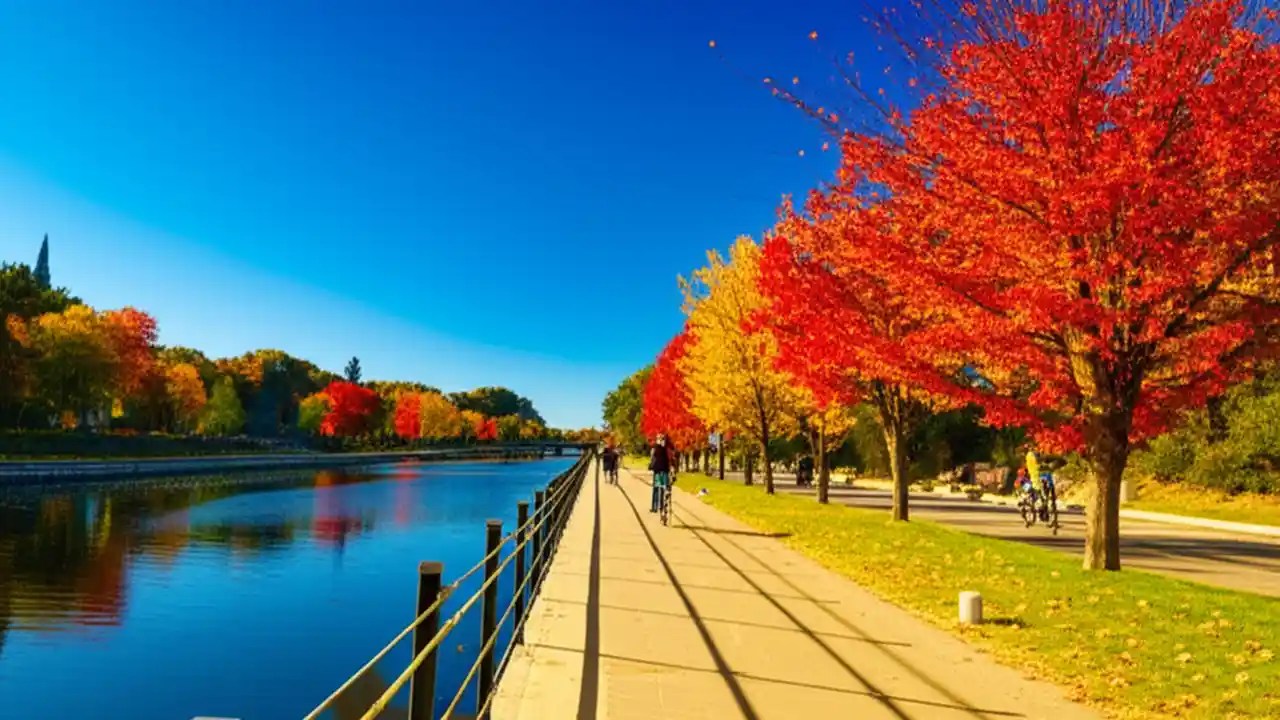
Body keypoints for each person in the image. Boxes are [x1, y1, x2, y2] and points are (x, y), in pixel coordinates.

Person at [649, 434, 672, 512]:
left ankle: (655, 507)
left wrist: (651, 465)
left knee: (656, 488)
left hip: (658, 470)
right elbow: (670, 459)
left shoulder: (655, 448)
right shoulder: (667, 449)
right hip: (664, 470)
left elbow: (652, 458)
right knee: (662, 488)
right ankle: (661, 506)